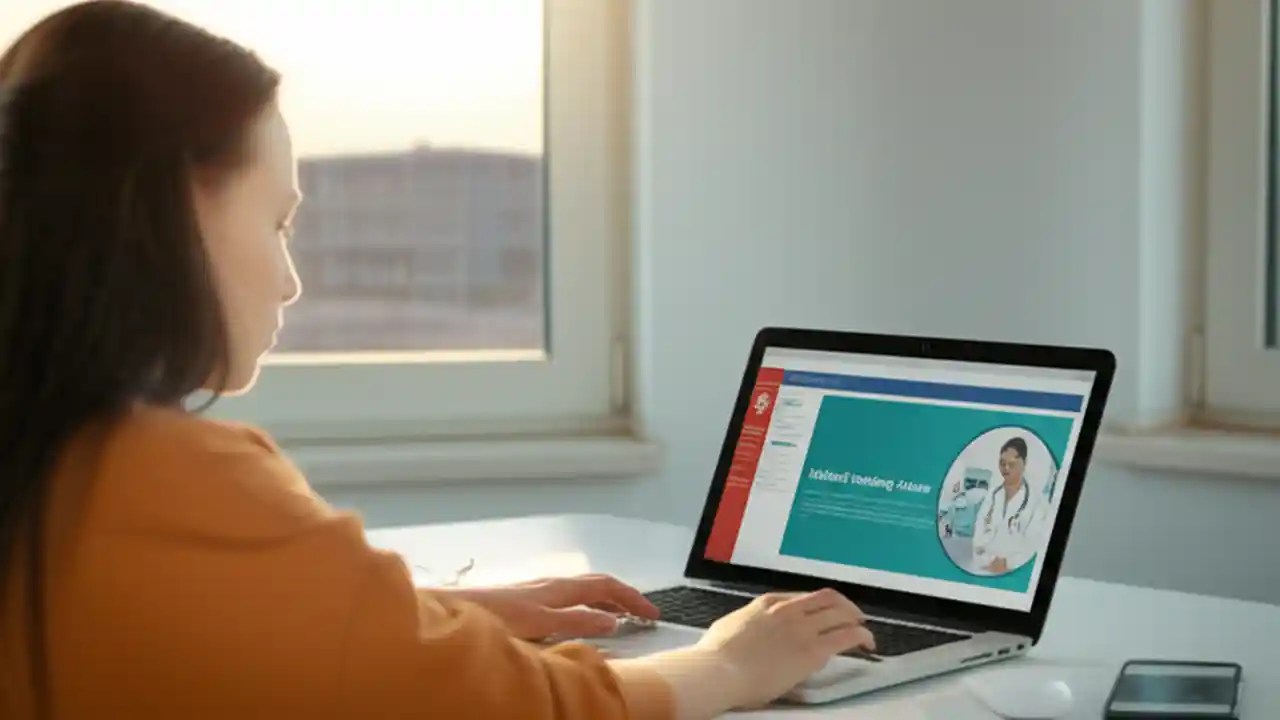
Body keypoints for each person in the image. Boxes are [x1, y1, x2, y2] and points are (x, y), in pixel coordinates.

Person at [0, 2, 876, 718]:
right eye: (278, 222)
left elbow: (206, 626)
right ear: (174, 208)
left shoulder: (50, 463)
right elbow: (528, 707)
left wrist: (437, 618)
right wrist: (729, 664)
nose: (291, 281)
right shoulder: (175, 480)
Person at [972, 437, 1048, 575]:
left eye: (1012, 464)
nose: (1006, 468)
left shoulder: (1037, 501)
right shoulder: (992, 495)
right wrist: (986, 560)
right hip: (985, 568)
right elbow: (979, 532)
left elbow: (1034, 544)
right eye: (1002, 463)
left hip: (1016, 573)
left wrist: (1008, 563)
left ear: (1024, 463)